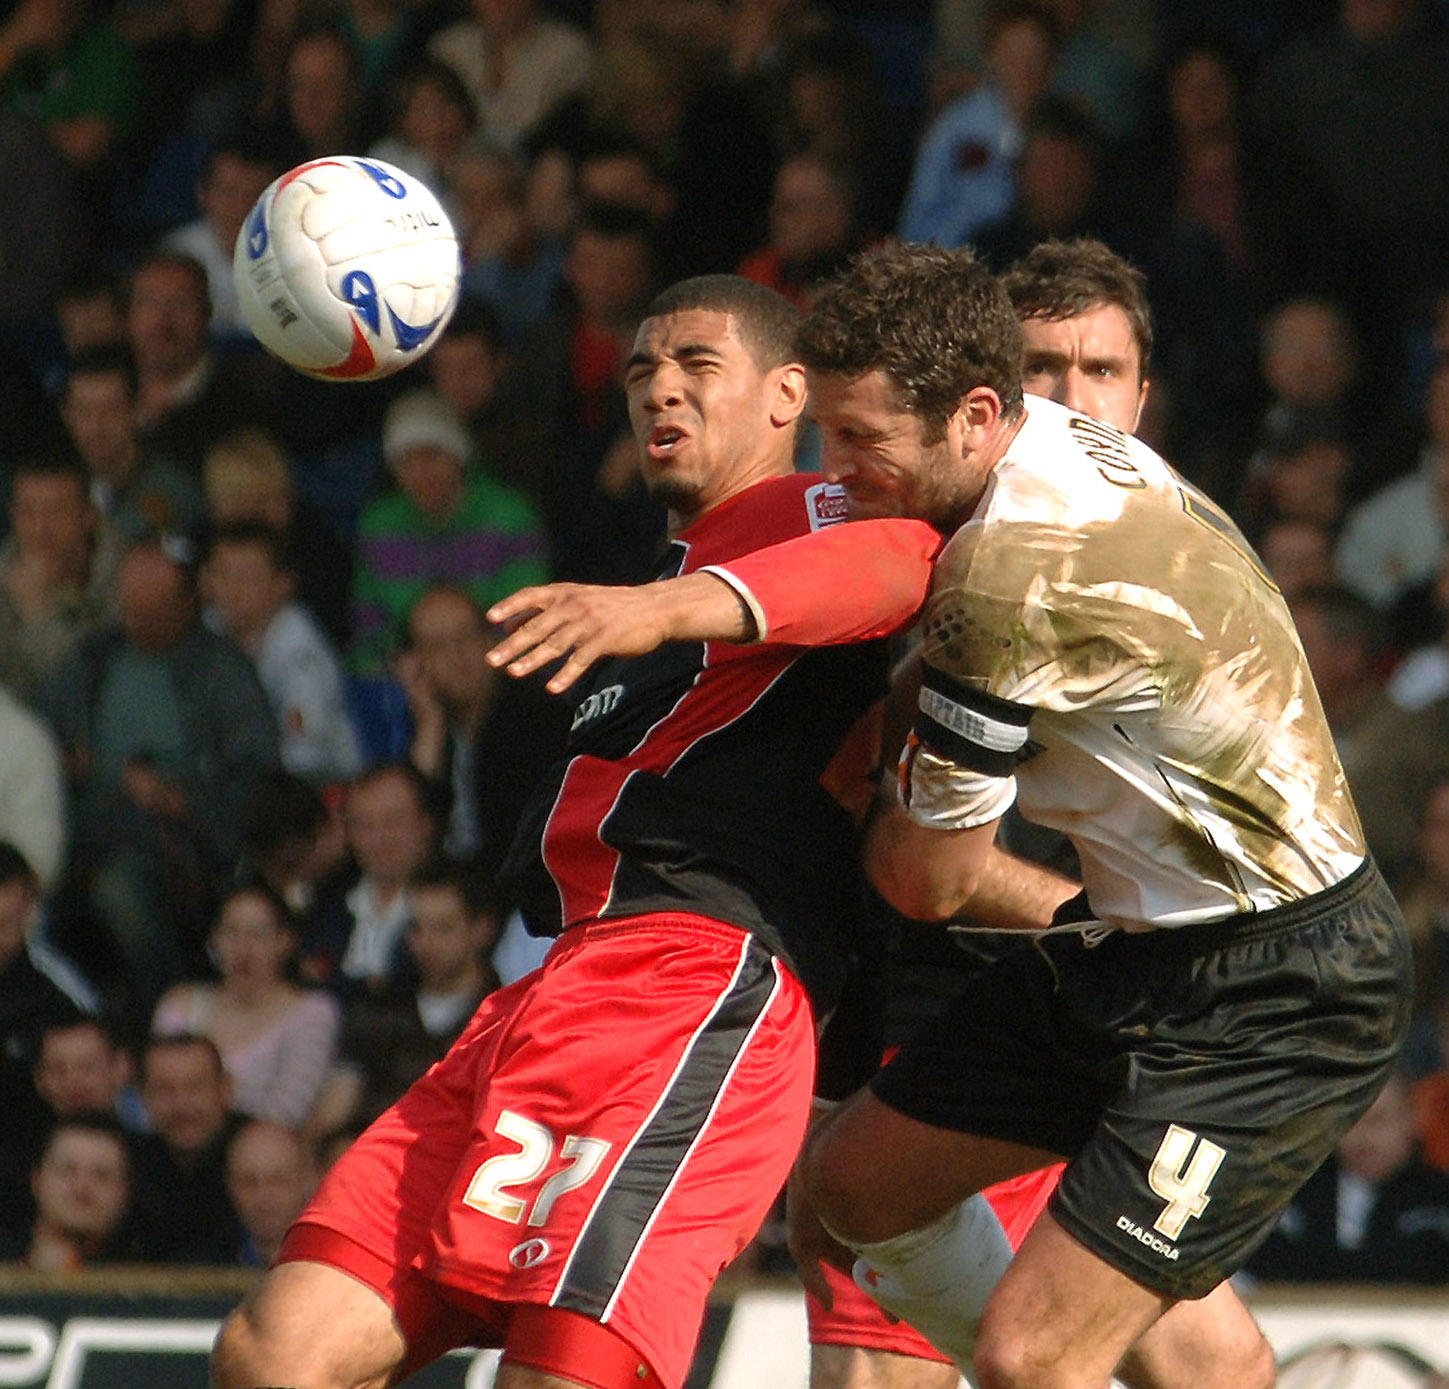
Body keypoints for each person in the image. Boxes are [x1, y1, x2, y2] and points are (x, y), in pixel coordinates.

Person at [484, 242, 1411, 1388]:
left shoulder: (1001, 587)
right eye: (827, 431)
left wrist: (879, 759)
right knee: (852, 1189)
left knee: (1029, 1353)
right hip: (1141, 948)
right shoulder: (1058, 446)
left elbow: (929, 883)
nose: (840, 470)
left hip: (1279, 993)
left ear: (976, 413)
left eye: (864, 442)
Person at [211, 274, 893, 1389]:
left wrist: (657, 610)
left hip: (697, 981)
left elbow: (898, 563)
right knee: (272, 1354)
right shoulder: (665, 585)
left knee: (561, 1378)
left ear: (789, 395)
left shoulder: (810, 517)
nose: (659, 393)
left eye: (696, 368)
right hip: (555, 988)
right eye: (640, 373)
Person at [306, 856, 502, 1140]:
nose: (426, 942)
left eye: (442, 927)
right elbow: (331, 1116)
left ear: (482, 929)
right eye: (416, 927)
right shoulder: (378, 1009)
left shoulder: (506, 1018)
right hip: (376, 1163)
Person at [395, 583, 568, 877]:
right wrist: (430, 725)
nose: (457, 656)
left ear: (492, 639)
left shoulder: (537, 719)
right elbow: (410, 833)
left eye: (466, 637)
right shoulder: (435, 725)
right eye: (437, 646)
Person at [152, 885, 341, 1130]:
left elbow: (287, 1112)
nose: (243, 947)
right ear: (215, 940)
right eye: (231, 932)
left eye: (258, 933)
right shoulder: (180, 1005)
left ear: (284, 941)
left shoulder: (313, 1013)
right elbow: (158, 1092)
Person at [1245, 1070, 1449, 1285]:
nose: (1364, 1135)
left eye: (1378, 1120)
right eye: (1352, 1120)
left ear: (1411, 1120)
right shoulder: (1297, 1188)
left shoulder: (1437, 1194)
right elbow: (1269, 1260)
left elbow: (1423, 1264)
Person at [202, 521, 362, 786]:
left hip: (322, 786)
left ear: (283, 584)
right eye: (223, 574)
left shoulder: (300, 647)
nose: (233, 590)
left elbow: (307, 751)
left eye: (249, 577)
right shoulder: (208, 629)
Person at [130, 1032, 245, 1263]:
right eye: (164, 1089)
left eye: (195, 1087)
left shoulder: (260, 1152)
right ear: (143, 1095)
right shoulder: (129, 1163)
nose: (181, 1104)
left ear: (225, 1089)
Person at [0, 1112, 138, 1269]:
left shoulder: (154, 1273)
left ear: (124, 1191)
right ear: (37, 1180)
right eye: (67, 1171)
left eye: (101, 1175)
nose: (81, 1188)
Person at [226, 1119, 318, 1269]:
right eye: (248, 1183)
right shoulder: (205, 1260)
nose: (263, 1197)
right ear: (231, 1186)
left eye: (278, 1181)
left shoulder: (334, 1262)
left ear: (306, 1181)